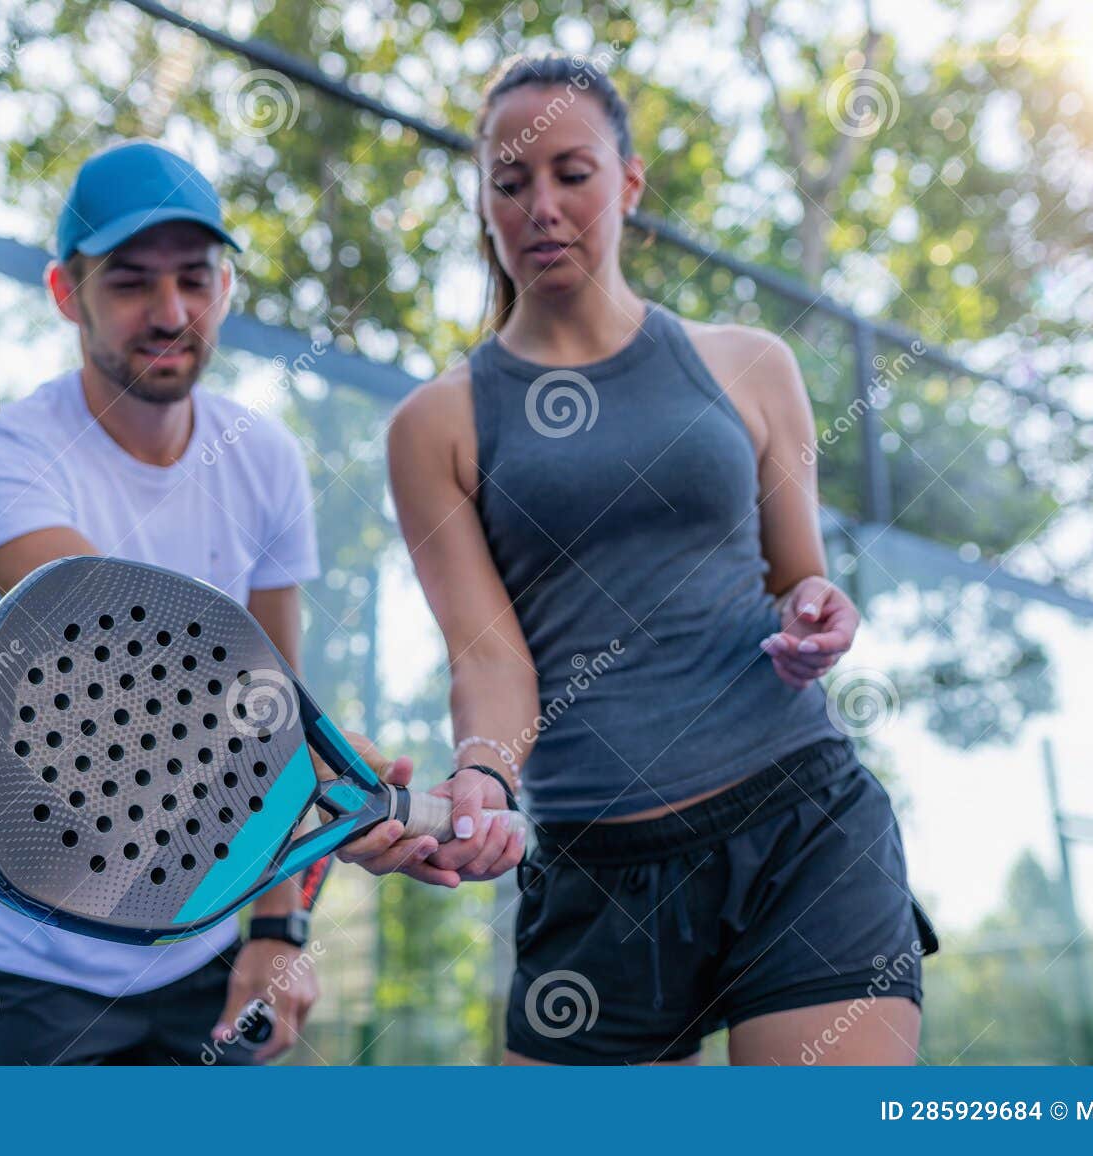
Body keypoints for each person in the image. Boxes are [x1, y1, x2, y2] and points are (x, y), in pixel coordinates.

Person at [348, 54, 938, 1065]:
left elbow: (795, 576)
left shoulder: (753, 366)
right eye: (509, 181)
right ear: (484, 203)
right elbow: (489, 658)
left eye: (571, 173)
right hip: (595, 875)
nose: (541, 205)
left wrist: (816, 615)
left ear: (627, 183)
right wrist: (482, 778)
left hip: (801, 826)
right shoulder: (433, 424)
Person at [0, 139, 410, 1064]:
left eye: (196, 279)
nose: (170, 312)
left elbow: (275, 692)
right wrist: (335, 790)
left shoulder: (265, 459)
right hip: (25, 964)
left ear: (225, 289)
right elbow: (122, 658)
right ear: (67, 293)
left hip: (203, 936)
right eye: (131, 283)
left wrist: (278, 931)